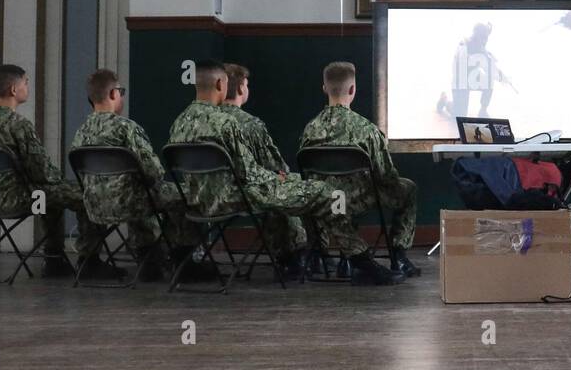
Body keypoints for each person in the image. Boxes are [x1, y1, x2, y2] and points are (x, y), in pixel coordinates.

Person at [168, 60, 352, 283]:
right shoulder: (229, 123)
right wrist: (278, 176)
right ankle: (313, 257)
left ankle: (305, 257)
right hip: (233, 198)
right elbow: (251, 173)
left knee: (280, 185)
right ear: (220, 84)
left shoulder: (179, 123)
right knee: (301, 187)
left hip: (196, 200)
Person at [0, 64, 113, 279]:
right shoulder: (18, 125)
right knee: (88, 195)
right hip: (20, 198)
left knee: (50, 197)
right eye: (26, 82)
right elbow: (40, 171)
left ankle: (54, 260)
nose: (27, 86)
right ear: (13, 89)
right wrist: (65, 183)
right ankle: (89, 262)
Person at [70, 69, 199, 282]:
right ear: (113, 94)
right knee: (181, 194)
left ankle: (88, 262)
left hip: (93, 202)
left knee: (141, 191)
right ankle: (179, 262)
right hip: (131, 203)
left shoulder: (81, 131)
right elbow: (154, 172)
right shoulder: (126, 128)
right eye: (121, 91)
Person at [300, 61, 420, 279]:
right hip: (359, 198)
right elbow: (387, 176)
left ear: (324, 88)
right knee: (408, 189)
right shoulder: (367, 130)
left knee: (329, 191)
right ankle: (398, 256)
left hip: (326, 202)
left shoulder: (310, 129)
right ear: (353, 90)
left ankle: (321, 255)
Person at [219, 62, 309, 272]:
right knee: (292, 182)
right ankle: (299, 254)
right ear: (241, 88)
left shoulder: (202, 123)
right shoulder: (250, 125)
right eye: (246, 85)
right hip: (243, 196)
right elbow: (276, 168)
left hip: (205, 198)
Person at [436, 22, 516, 120]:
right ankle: (445, 100)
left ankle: (483, 109)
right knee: (459, 115)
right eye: (482, 37)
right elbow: (457, 71)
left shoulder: (481, 48)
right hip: (459, 81)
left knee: (489, 80)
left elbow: (491, 68)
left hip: (473, 78)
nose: (485, 41)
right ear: (476, 36)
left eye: (486, 38)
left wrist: (503, 78)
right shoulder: (463, 47)